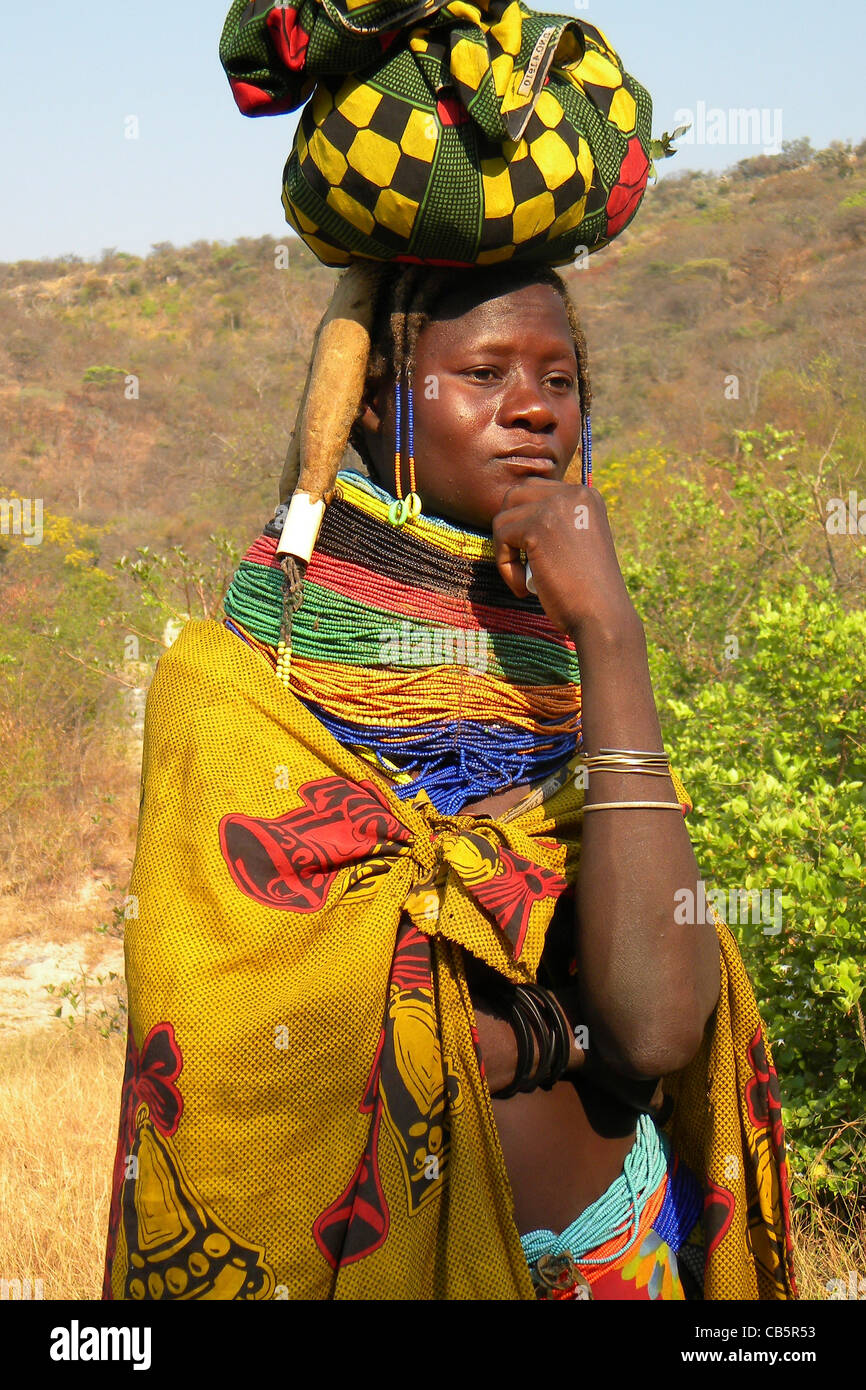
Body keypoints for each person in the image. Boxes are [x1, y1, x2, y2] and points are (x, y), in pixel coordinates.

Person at [103, 261, 796, 1302]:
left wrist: (611, 636)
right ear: (383, 408)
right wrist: (563, 1034)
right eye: (483, 372)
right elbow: (233, 1038)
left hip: (622, 1251)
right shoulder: (241, 683)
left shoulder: (571, 665)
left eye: (558, 382)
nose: (531, 409)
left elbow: (655, 1026)